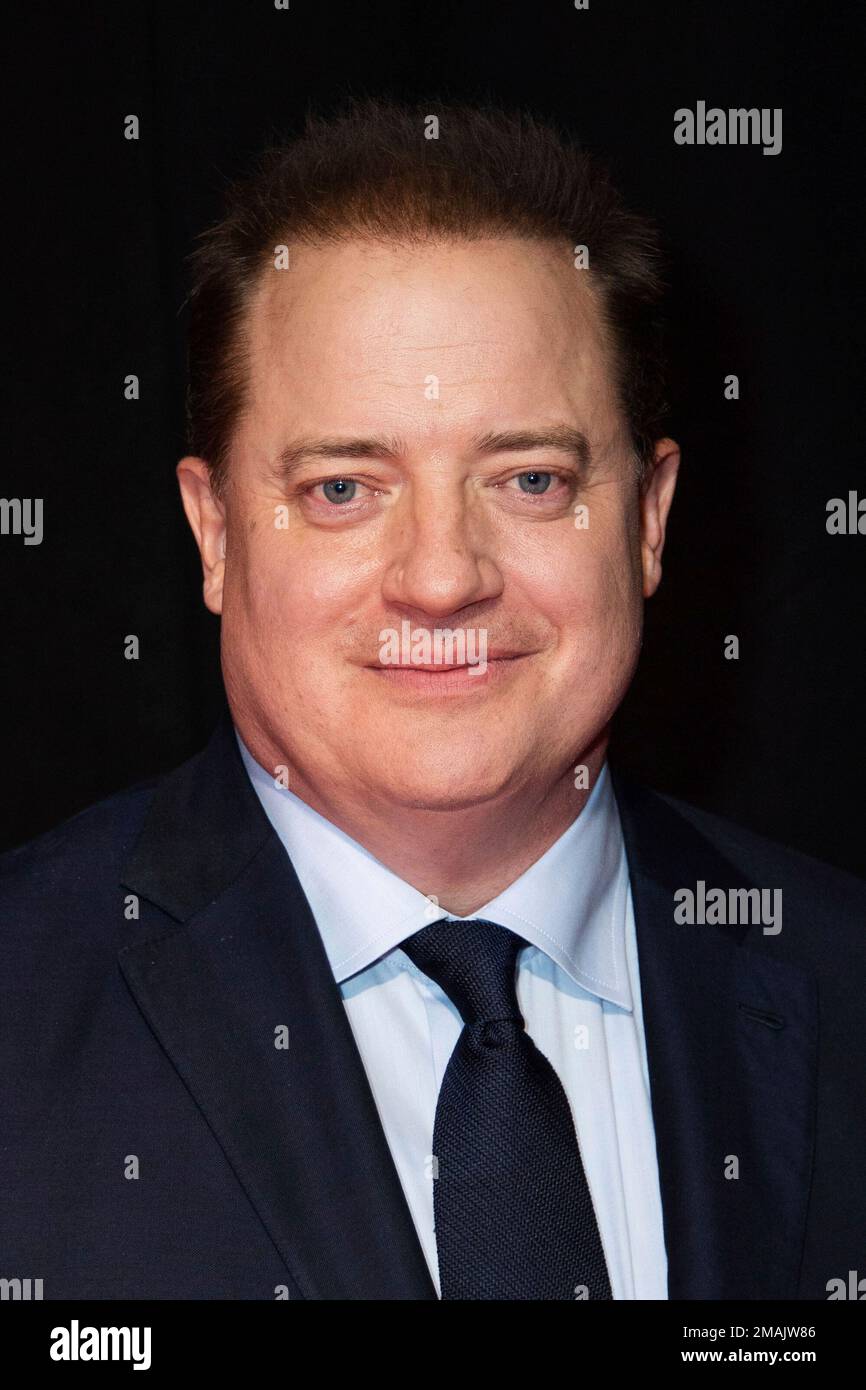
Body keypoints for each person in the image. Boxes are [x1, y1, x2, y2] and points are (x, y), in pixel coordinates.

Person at [2, 96, 864, 1302]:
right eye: (345, 488)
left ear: (648, 520)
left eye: (527, 477)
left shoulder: (835, 974)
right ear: (211, 533)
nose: (442, 576)